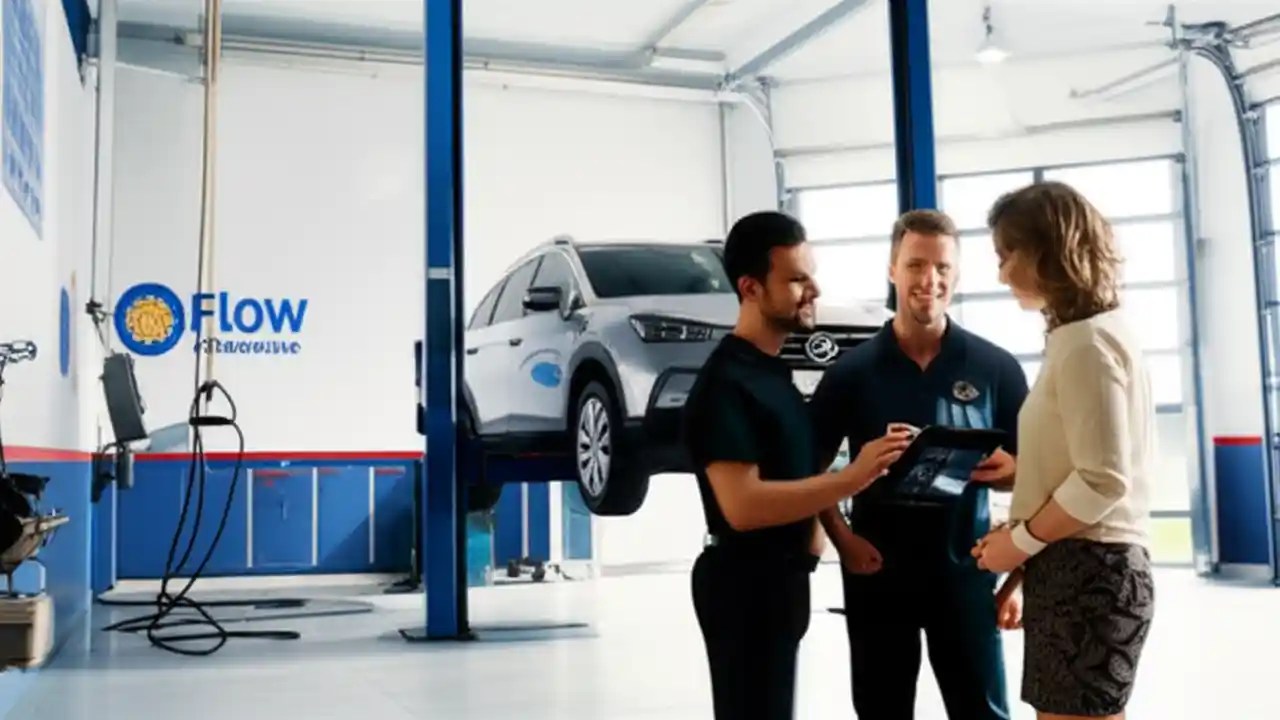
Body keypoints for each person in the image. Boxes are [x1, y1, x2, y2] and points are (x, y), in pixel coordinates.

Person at [683, 210, 912, 720]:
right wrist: (854, 477)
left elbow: (798, 475)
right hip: (743, 585)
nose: (813, 290)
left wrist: (841, 536)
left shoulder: (773, 373)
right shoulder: (726, 385)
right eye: (796, 279)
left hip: (783, 581)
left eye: (812, 277)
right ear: (750, 288)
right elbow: (743, 506)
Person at [808, 209, 1030, 720]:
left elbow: (1035, 472)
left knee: (984, 713)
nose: (929, 280)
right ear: (892, 270)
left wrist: (1009, 472)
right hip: (877, 574)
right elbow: (813, 476)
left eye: (943, 268)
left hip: (968, 572)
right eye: (915, 266)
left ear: (957, 275)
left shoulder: (995, 368)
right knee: (882, 710)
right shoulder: (851, 372)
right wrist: (843, 542)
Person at [972, 181, 1156, 720]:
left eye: (1007, 255)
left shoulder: (1085, 342)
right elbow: (1088, 467)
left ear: (1047, 251)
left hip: (1089, 572)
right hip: (1080, 568)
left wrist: (1017, 545)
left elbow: (1103, 482)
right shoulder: (1092, 334)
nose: (1001, 273)